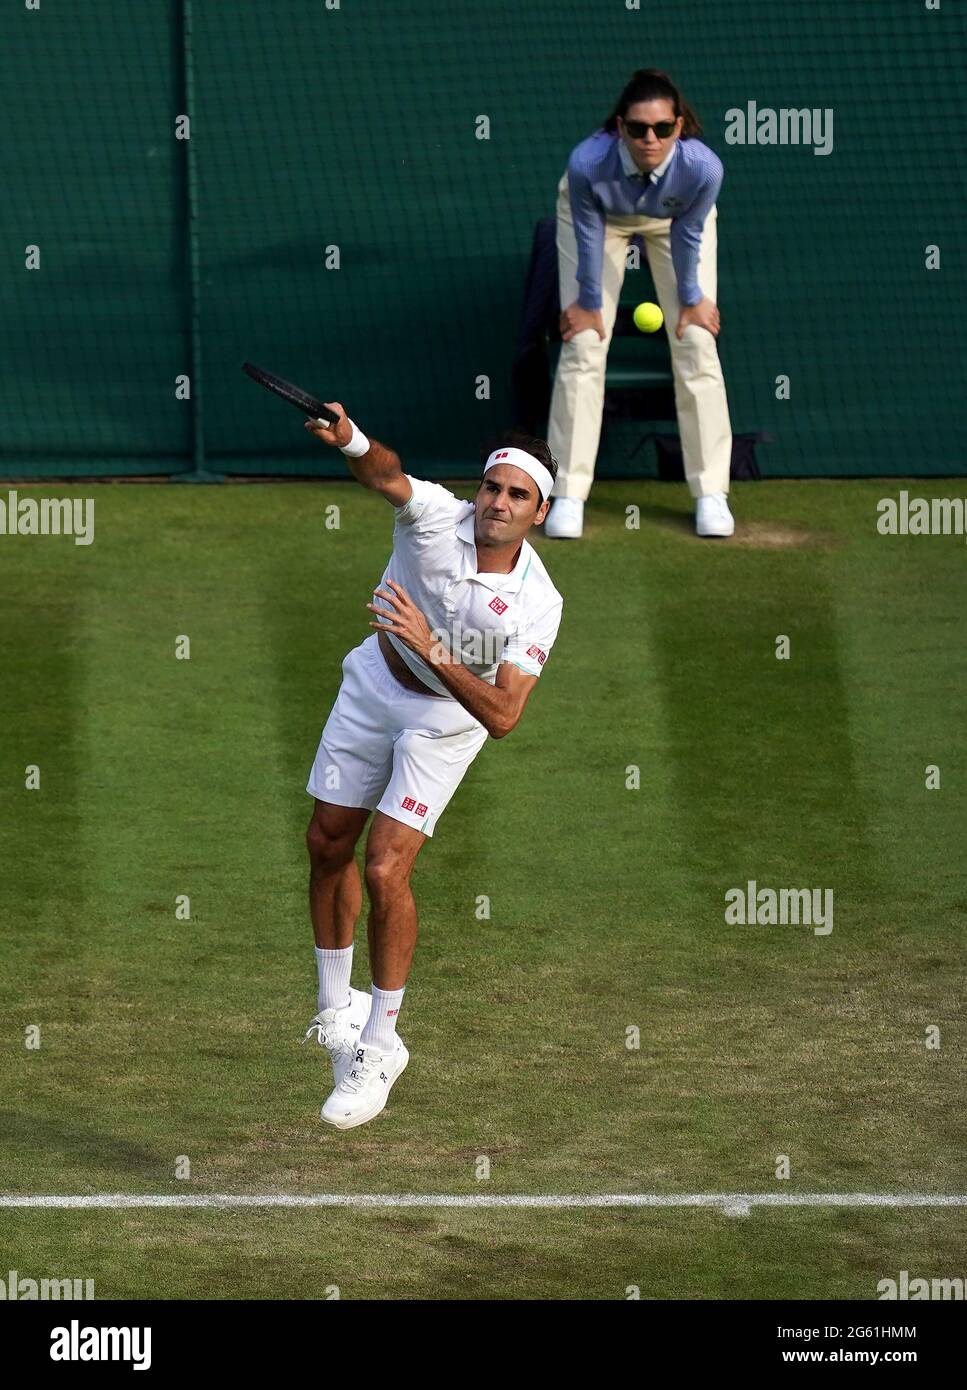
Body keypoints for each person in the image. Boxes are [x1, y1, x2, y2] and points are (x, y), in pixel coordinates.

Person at [300, 408, 564, 1129]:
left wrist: (430, 644)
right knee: (327, 842)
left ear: (540, 512)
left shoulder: (537, 605)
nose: (497, 504)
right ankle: (334, 1009)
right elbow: (383, 473)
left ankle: (381, 1045)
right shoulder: (432, 518)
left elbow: (504, 717)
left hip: (447, 722)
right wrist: (351, 439)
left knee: (386, 867)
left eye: (516, 496)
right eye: (491, 488)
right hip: (373, 682)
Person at [544, 68, 735, 540]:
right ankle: (566, 493)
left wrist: (691, 301)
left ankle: (711, 493)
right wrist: (588, 303)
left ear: (680, 127)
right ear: (619, 128)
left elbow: (689, 233)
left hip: (673, 218)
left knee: (696, 340)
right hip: (600, 219)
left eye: (663, 128)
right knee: (584, 343)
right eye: (637, 128)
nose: (650, 138)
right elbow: (587, 235)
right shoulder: (587, 163)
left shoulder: (703, 168)